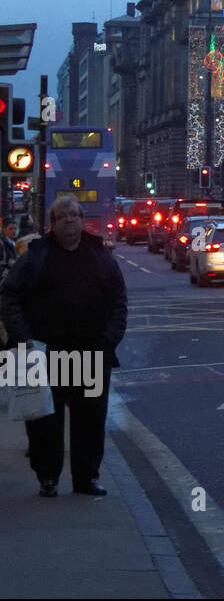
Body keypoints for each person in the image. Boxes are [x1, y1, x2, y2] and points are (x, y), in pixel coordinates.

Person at [0, 197, 128, 498]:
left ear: (82, 220)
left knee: (91, 419)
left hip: (91, 351)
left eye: (74, 215)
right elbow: (9, 296)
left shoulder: (99, 255)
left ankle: (86, 479)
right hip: (45, 352)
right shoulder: (36, 256)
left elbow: (119, 300)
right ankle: (48, 477)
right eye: (62, 216)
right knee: (45, 420)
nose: (69, 220)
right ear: (52, 223)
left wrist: (109, 339)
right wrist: (24, 339)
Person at [0, 219, 17, 283]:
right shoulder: (2, 244)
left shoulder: (15, 242)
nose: (14, 231)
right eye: (10, 229)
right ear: (4, 230)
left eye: (15, 229)